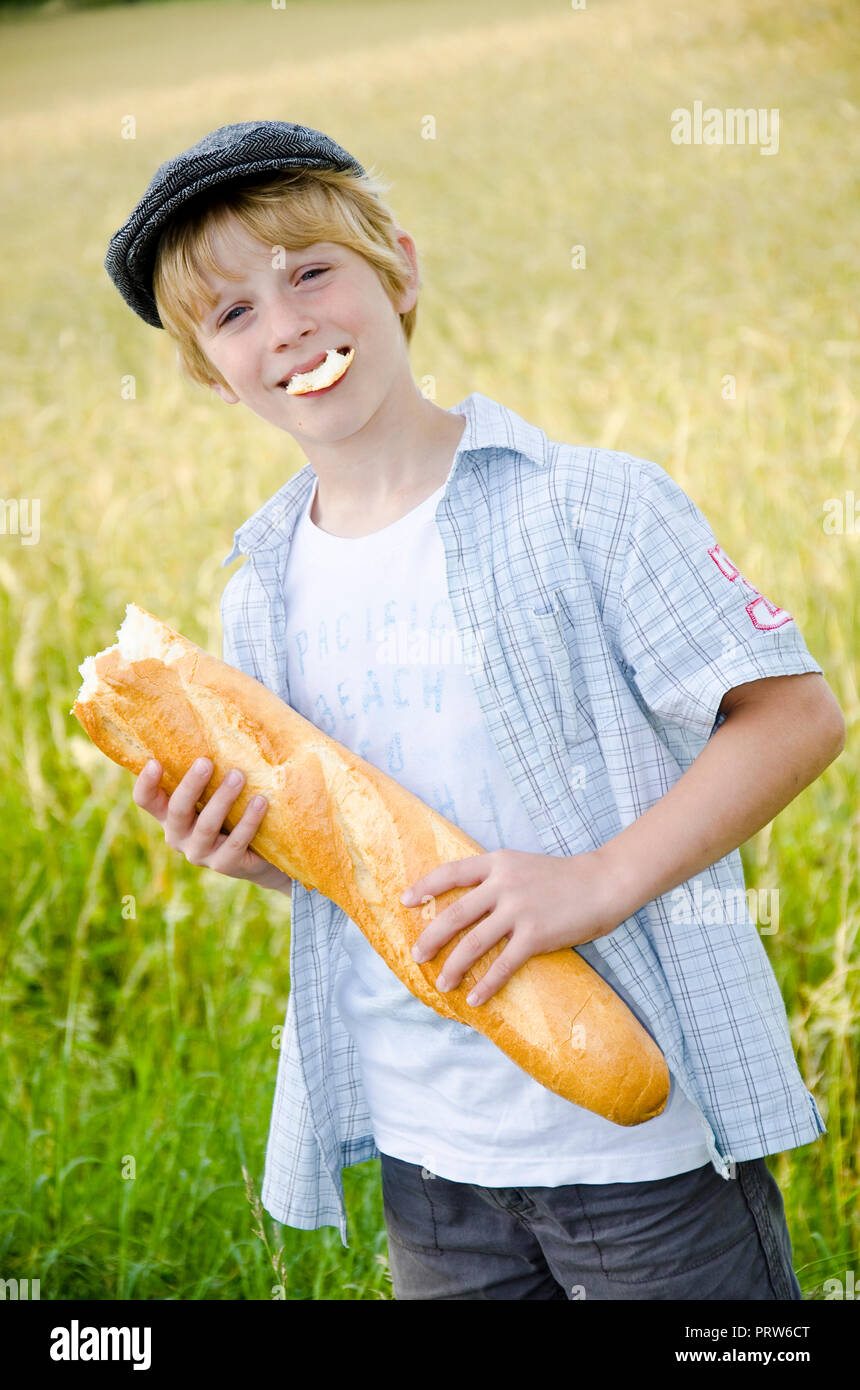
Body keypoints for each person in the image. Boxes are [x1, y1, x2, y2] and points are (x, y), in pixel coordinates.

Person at [104, 120, 846, 1300]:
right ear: (208, 366)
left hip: (638, 1146)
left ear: (397, 268)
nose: (285, 322)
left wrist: (592, 880)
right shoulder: (261, 594)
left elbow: (795, 717)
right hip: (427, 1159)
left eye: (310, 271)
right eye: (231, 313)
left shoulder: (587, 506)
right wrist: (251, 857)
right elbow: (360, 866)